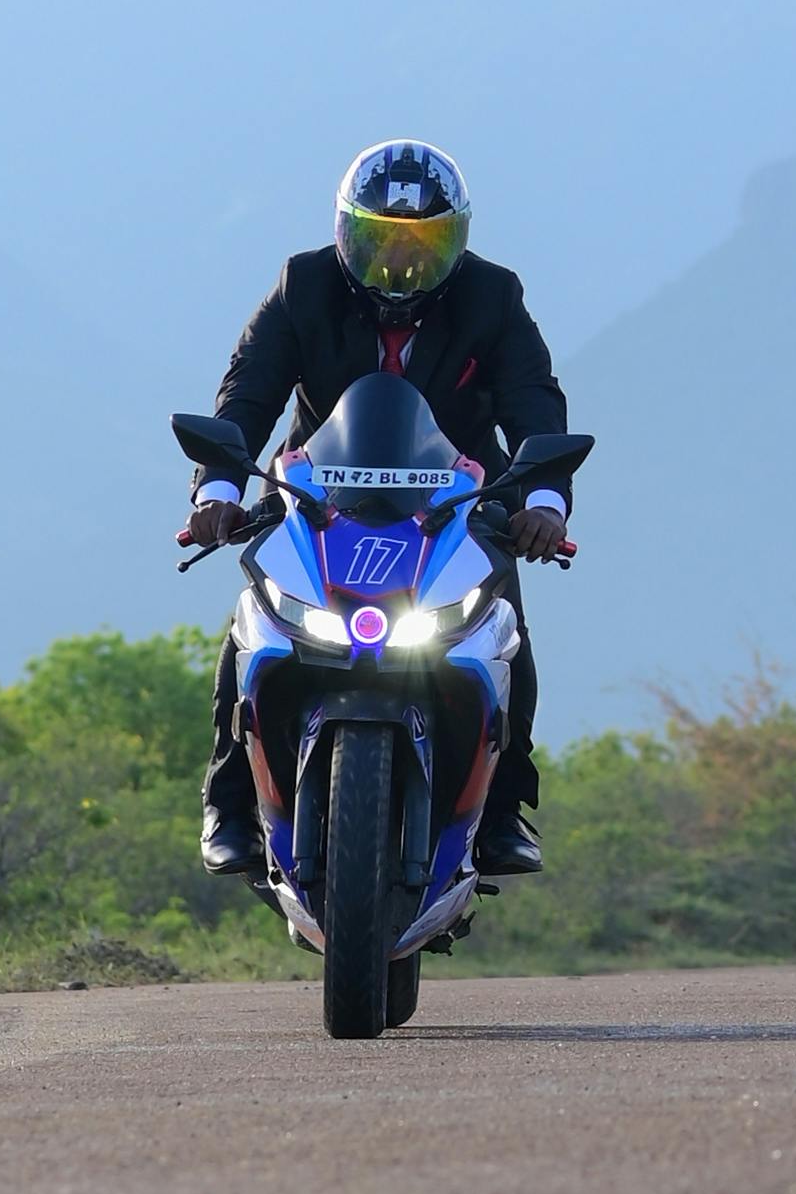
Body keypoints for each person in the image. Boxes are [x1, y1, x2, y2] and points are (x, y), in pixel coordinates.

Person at [180, 138, 575, 880]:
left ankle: (503, 808)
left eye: (423, 244)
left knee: (505, 635)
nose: (400, 263)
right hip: (315, 499)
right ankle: (228, 801)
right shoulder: (302, 285)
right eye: (381, 240)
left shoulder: (493, 295)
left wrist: (544, 502)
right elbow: (248, 392)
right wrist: (219, 492)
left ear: (457, 242)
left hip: (458, 505)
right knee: (251, 629)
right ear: (345, 232)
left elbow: (534, 401)